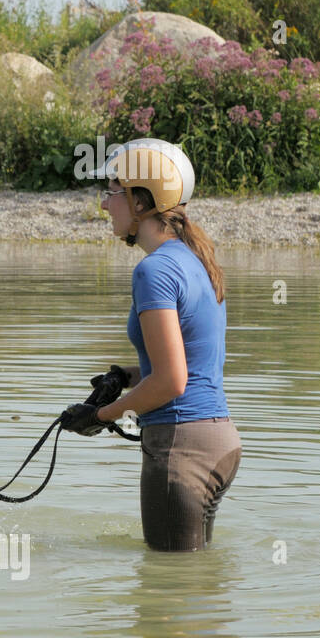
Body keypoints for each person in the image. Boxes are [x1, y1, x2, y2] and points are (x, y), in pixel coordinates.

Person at [60, 139, 241, 551]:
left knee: (167, 599)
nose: (104, 204)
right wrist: (127, 376)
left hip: (182, 449)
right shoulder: (197, 259)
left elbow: (173, 381)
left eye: (112, 192)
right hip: (220, 443)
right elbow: (190, 364)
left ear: (142, 201)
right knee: (192, 590)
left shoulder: (153, 271)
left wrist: (102, 415)